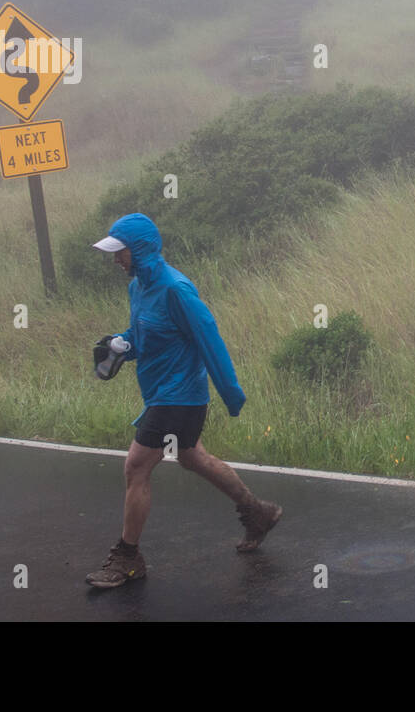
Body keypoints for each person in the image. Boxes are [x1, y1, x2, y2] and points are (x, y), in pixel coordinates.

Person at [85, 212, 281, 589]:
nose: (115, 259)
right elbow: (147, 336)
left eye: (120, 252)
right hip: (160, 393)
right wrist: (122, 345)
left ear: (140, 250)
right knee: (192, 458)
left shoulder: (176, 289)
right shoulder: (138, 288)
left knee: (136, 467)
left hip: (181, 396)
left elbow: (209, 337)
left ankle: (128, 558)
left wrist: (230, 393)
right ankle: (258, 512)